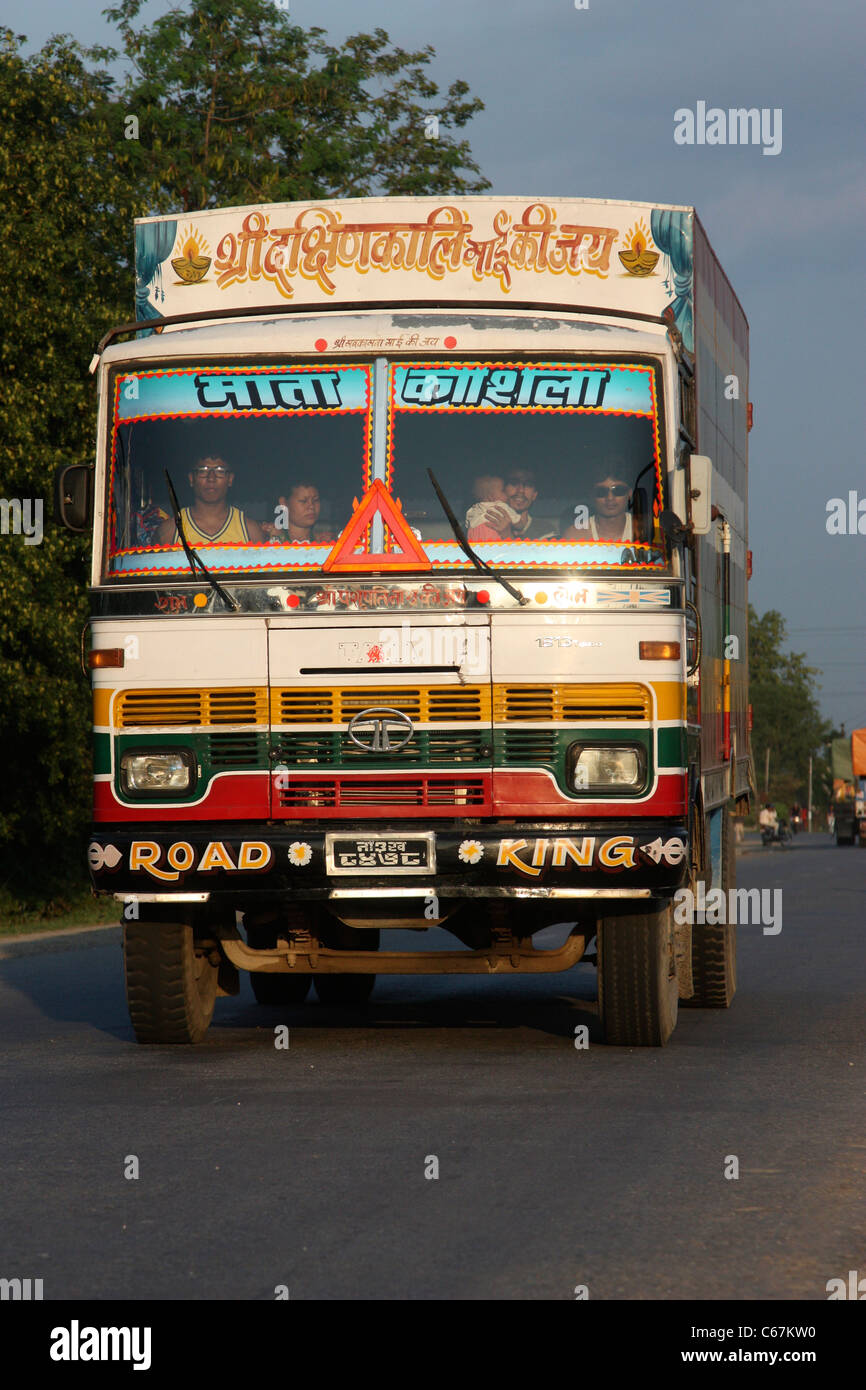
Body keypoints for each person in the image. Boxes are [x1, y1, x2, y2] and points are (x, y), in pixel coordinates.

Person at [158, 456, 263, 544]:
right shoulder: (170, 531)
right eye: (203, 470)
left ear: (230, 479)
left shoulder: (250, 531)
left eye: (220, 471)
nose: (211, 478)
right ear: (191, 479)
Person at [561, 467, 634, 542]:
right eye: (601, 492)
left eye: (618, 490)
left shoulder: (644, 529)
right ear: (591, 495)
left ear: (629, 494)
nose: (610, 498)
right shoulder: (575, 535)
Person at [265, 481, 330, 543]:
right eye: (303, 501)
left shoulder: (325, 540)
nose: (311, 506)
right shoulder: (267, 536)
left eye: (315, 500)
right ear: (284, 503)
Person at [502, 469, 556, 539]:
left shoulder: (546, 530)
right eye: (514, 483)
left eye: (528, 485)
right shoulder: (487, 523)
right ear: (503, 491)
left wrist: (507, 536)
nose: (521, 490)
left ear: (534, 495)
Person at [465, 474, 522, 540]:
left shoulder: (473, 509)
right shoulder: (500, 506)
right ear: (491, 497)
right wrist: (520, 525)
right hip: (493, 536)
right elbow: (518, 523)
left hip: (474, 538)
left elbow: (468, 524)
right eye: (503, 491)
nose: (506, 493)